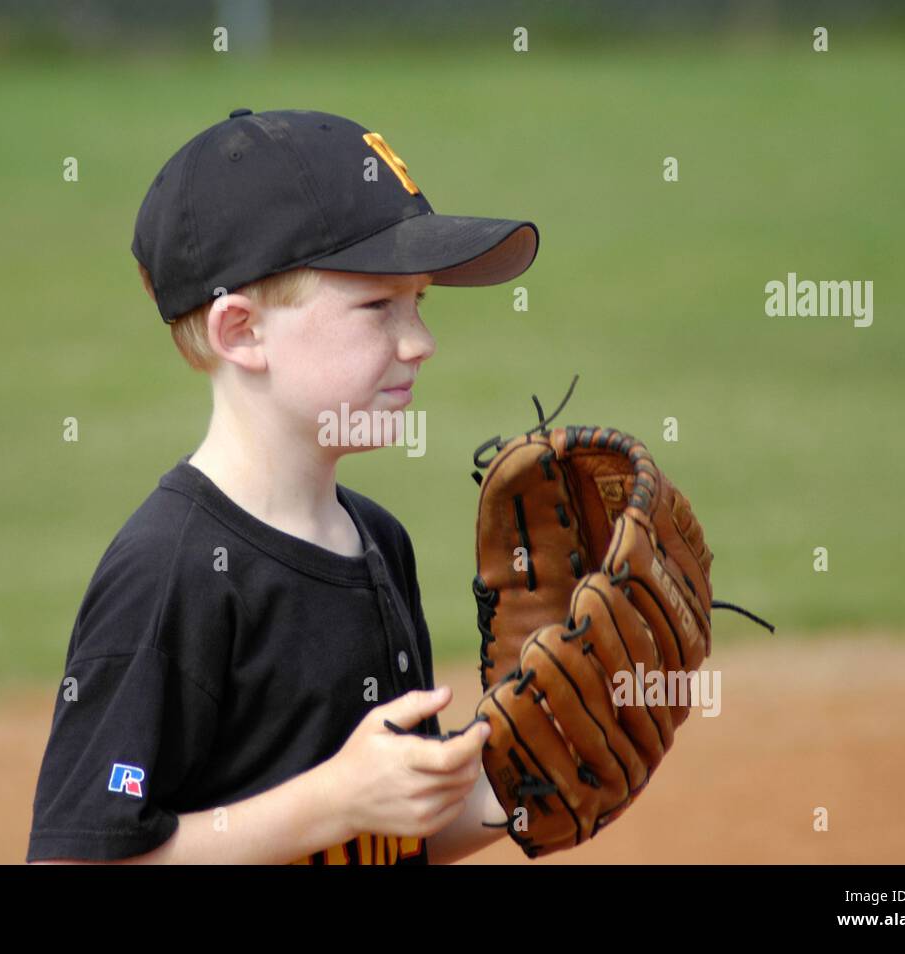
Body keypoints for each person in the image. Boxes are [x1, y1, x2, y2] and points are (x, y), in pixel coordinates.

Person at [26, 108, 539, 865]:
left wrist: (532, 783)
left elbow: (391, 837)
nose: (421, 343)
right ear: (241, 333)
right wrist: (332, 802)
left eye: (420, 302)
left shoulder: (377, 542)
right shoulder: (169, 573)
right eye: (377, 307)